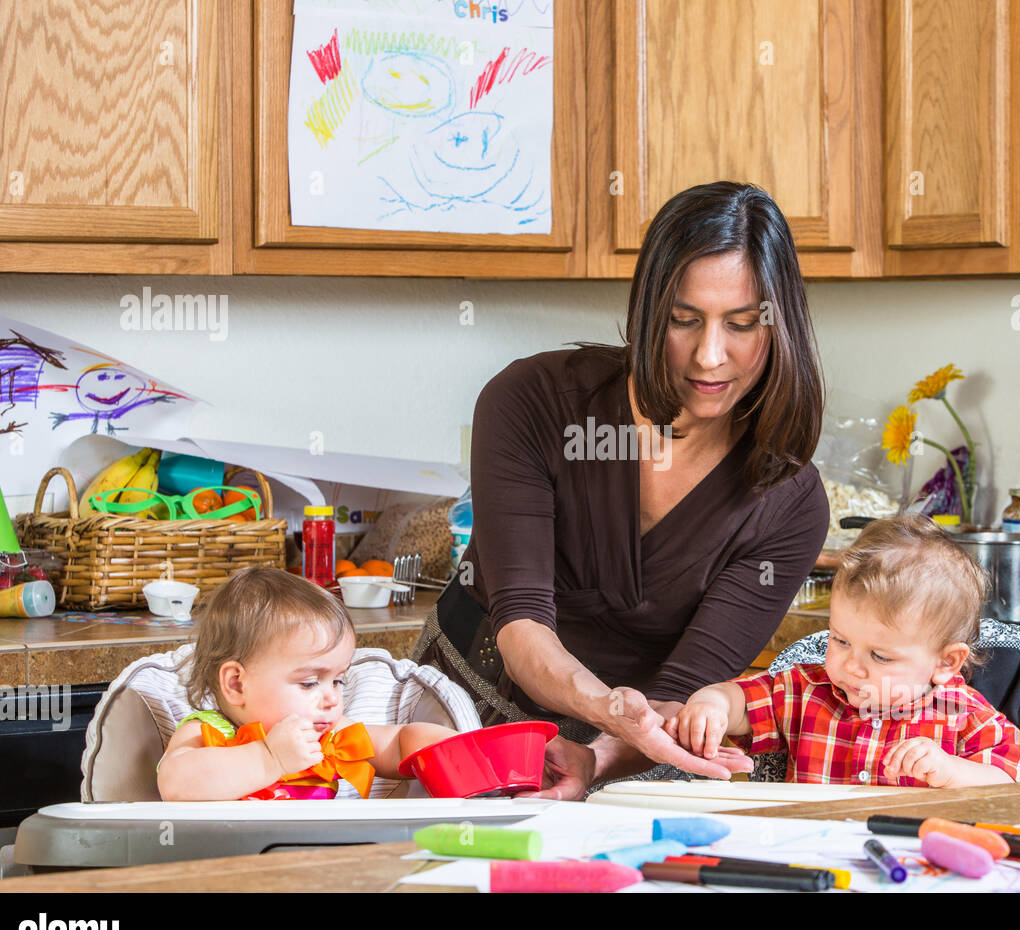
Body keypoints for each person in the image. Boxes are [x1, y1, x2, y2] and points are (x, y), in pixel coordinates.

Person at [411, 181, 830, 799]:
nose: (710, 356)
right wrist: (609, 709)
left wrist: (599, 756)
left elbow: (686, 685)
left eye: (741, 324)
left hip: (629, 746)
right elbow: (522, 620)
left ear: (779, 325)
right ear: (648, 312)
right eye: (684, 321)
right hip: (459, 706)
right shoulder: (532, 404)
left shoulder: (790, 502)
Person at [666, 514, 1020, 788]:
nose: (851, 665)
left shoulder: (966, 717)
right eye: (840, 640)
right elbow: (738, 701)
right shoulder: (806, 692)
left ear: (945, 662)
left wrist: (951, 771)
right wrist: (710, 706)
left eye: (880, 656)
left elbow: (1007, 787)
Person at [158, 567, 457, 801]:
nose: (331, 699)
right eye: (310, 683)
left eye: (338, 680)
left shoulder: (329, 734)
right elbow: (175, 784)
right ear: (237, 684)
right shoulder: (207, 732)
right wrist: (269, 758)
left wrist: (439, 744)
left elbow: (396, 745)